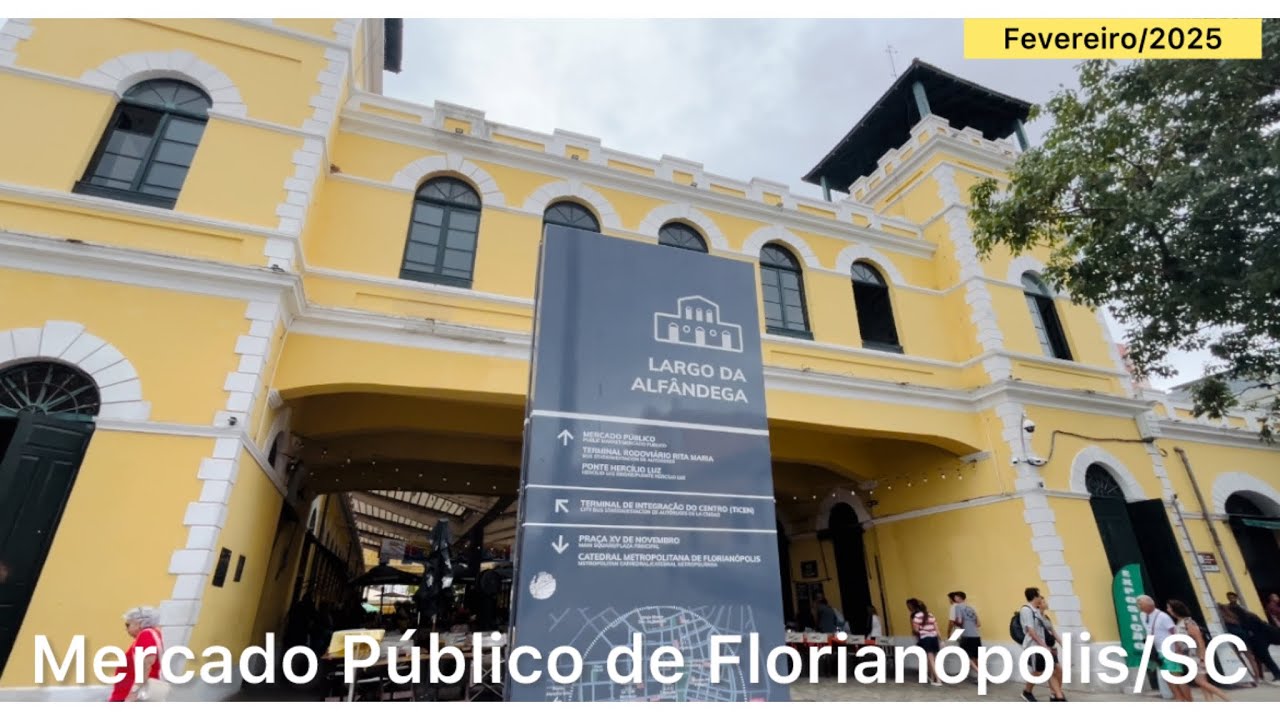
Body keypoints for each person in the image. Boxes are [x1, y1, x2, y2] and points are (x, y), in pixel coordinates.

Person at [1167, 599, 1230, 701]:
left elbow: (1199, 639)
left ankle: (1226, 698)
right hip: (1189, 656)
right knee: (1203, 682)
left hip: (1195, 655)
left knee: (1200, 681)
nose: (1168, 610)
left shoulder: (1188, 622)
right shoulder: (1179, 623)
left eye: (1169, 607)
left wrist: (1202, 656)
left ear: (1175, 609)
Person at [109, 606, 168, 702]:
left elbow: (147, 664)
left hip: (133, 695)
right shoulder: (154, 634)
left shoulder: (146, 635)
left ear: (139, 623)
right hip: (135, 692)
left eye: (128, 625)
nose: (126, 629)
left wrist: (134, 691)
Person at [1019, 587, 1066, 701]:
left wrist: (1058, 643)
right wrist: (1044, 646)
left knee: (1054, 669)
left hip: (1044, 646)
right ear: (1035, 596)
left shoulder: (1037, 612)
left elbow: (1048, 631)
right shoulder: (1026, 610)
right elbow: (1031, 631)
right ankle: (1027, 692)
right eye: (1039, 596)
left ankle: (1056, 695)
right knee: (1039, 672)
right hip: (1034, 647)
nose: (1041, 598)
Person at [1138, 595, 1177, 700]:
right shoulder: (1142, 615)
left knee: (1173, 674)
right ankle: (1168, 694)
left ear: (1150, 604)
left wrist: (1177, 648)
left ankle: (1179, 696)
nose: (1139, 606)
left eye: (1141, 604)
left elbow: (1173, 632)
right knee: (1162, 673)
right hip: (1155, 648)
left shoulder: (1163, 616)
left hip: (1168, 648)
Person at [906, 598, 942, 686]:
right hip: (934, 638)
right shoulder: (930, 615)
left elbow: (916, 629)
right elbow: (937, 629)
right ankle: (933, 678)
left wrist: (922, 630)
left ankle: (938, 680)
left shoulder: (917, 616)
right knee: (934, 660)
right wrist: (941, 640)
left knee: (930, 660)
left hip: (926, 639)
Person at [947, 591, 982, 679]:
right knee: (976, 656)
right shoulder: (971, 607)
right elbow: (978, 624)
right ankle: (978, 674)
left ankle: (980, 674)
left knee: (965, 655)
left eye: (955, 597)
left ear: (958, 598)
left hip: (964, 634)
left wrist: (950, 631)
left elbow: (958, 622)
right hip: (976, 634)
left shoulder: (956, 607)